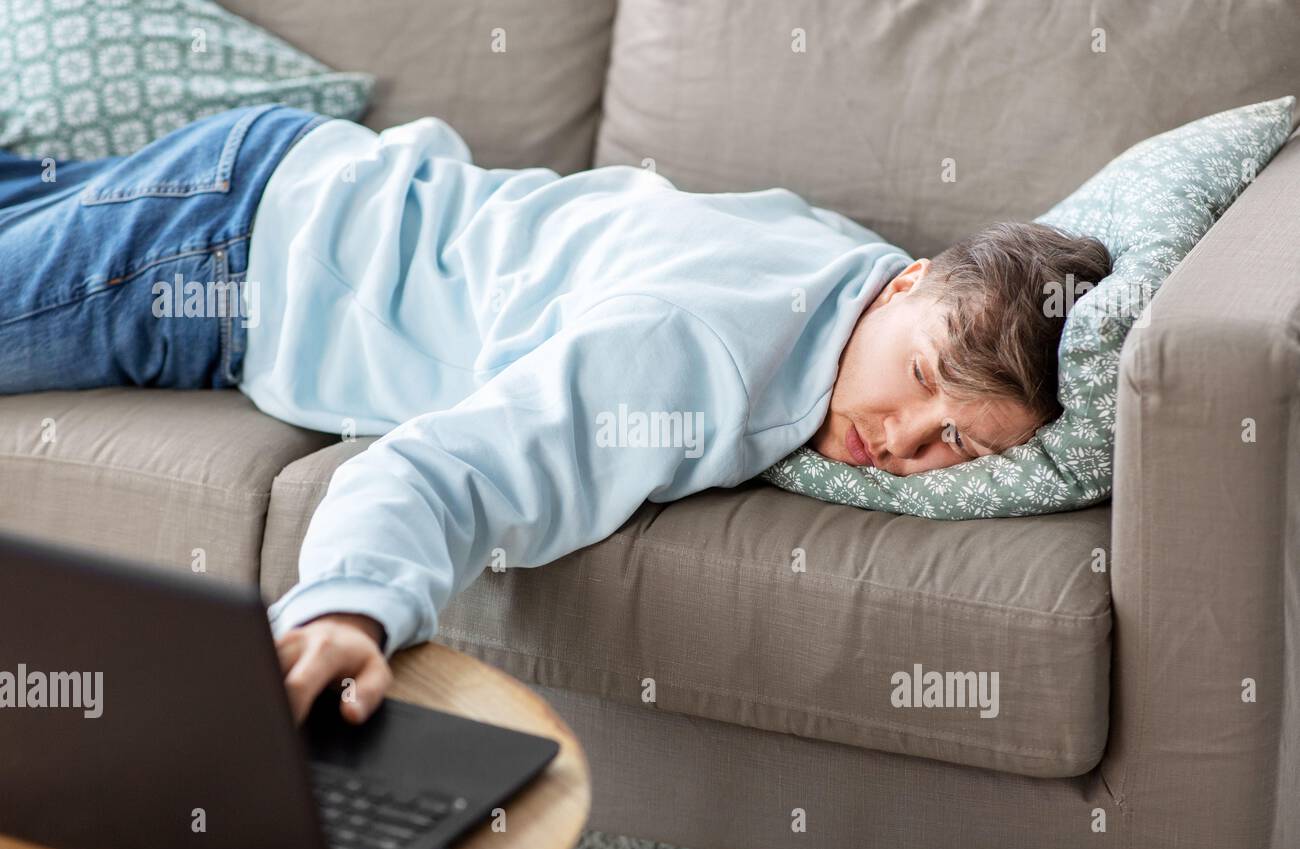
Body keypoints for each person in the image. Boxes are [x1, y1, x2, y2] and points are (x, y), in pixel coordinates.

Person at [0, 105, 1111, 727]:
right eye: (918, 381)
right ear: (907, 284)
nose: (900, 443)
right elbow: (441, 473)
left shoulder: (836, 256)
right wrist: (349, 606)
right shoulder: (692, 358)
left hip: (284, 172)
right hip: (217, 253)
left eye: (957, 445)